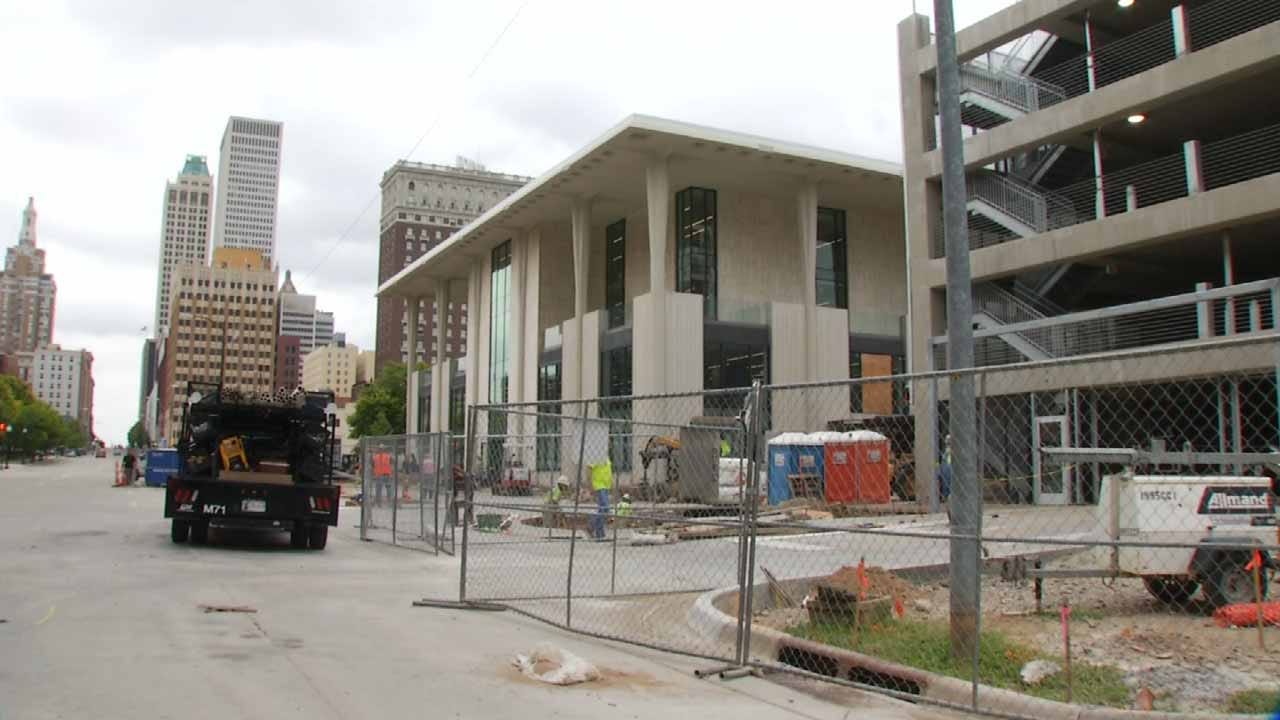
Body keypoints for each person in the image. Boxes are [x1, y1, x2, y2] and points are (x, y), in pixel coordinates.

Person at [588, 458, 613, 541]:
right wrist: (589, 484)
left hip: (606, 486)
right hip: (599, 485)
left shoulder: (607, 457)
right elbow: (589, 469)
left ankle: (600, 534)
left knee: (602, 510)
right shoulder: (596, 456)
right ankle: (592, 525)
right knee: (605, 507)